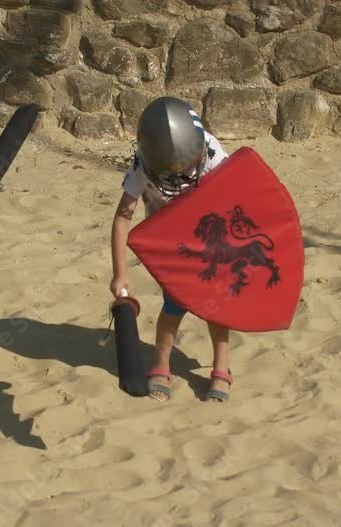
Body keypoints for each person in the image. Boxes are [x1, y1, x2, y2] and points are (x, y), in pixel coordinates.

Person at [109, 96, 233, 403]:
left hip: (209, 241)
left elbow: (237, 195)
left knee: (215, 307)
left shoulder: (211, 150)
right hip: (172, 246)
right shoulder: (143, 164)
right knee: (173, 306)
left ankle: (222, 368)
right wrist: (120, 272)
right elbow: (123, 217)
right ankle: (161, 363)